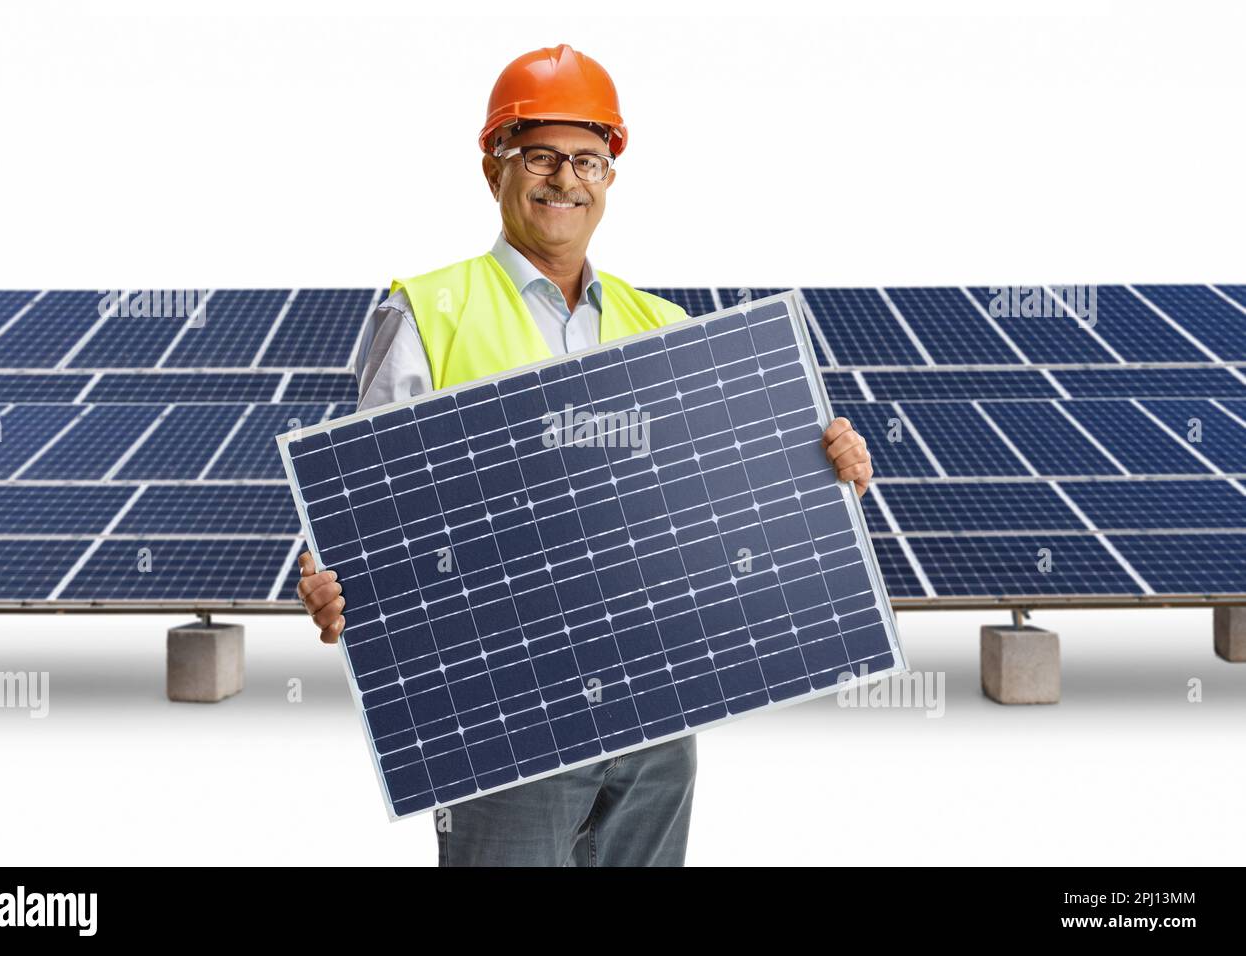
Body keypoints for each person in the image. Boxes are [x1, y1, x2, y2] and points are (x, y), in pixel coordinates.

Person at [297, 42, 873, 866]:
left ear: (609, 176)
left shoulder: (664, 325)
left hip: (656, 703)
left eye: (588, 160)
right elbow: (356, 500)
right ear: (492, 167)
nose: (565, 179)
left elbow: (720, 499)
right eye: (539, 156)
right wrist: (325, 575)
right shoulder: (429, 310)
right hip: (501, 711)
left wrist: (825, 472)